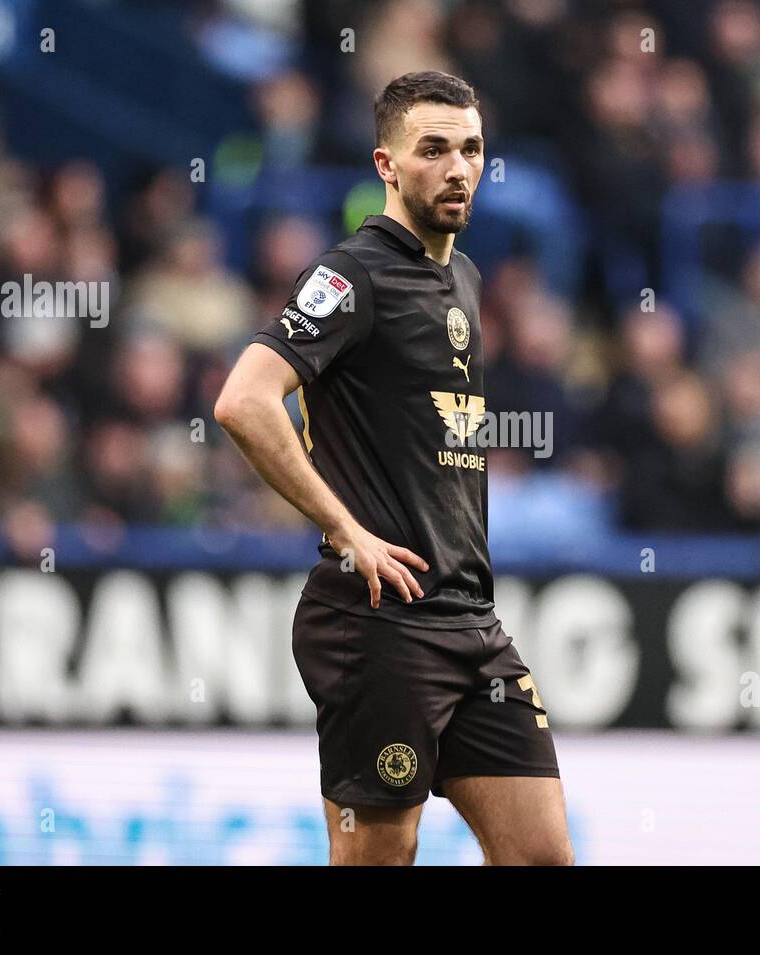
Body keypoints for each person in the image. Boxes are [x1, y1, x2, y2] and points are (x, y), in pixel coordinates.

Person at [214, 71, 571, 866]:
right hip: (378, 620)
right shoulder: (353, 276)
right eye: (434, 149)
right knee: (380, 857)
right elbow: (244, 400)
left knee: (543, 855)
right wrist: (346, 529)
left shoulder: (466, 280)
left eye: (472, 149)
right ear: (387, 164)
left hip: (470, 624)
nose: (458, 167)